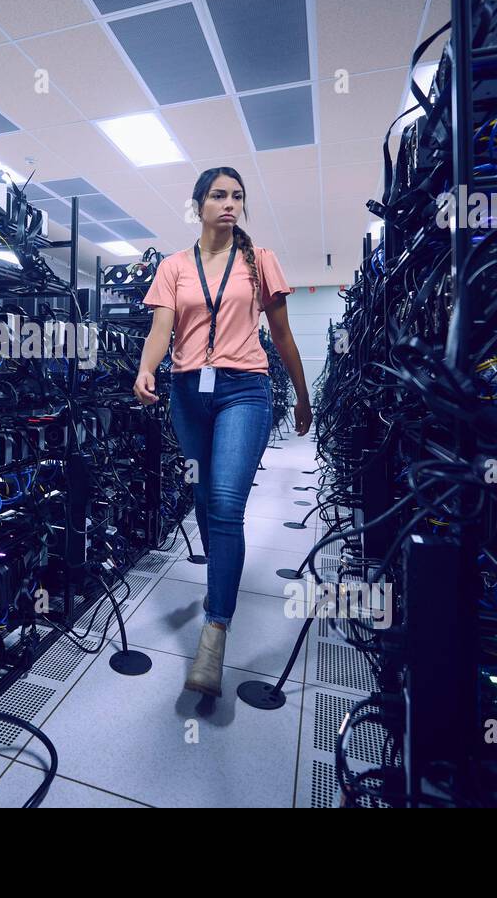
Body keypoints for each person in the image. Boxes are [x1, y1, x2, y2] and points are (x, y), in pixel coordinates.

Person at [134, 166, 312, 697]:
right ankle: (222, 570)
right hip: (188, 395)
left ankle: (215, 630)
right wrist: (146, 369)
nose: (229, 203)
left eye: (237, 196)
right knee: (205, 499)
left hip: (244, 391)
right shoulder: (174, 267)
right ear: (199, 204)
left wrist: (303, 395)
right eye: (218, 195)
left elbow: (281, 333)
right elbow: (161, 328)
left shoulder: (261, 263)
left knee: (228, 505)